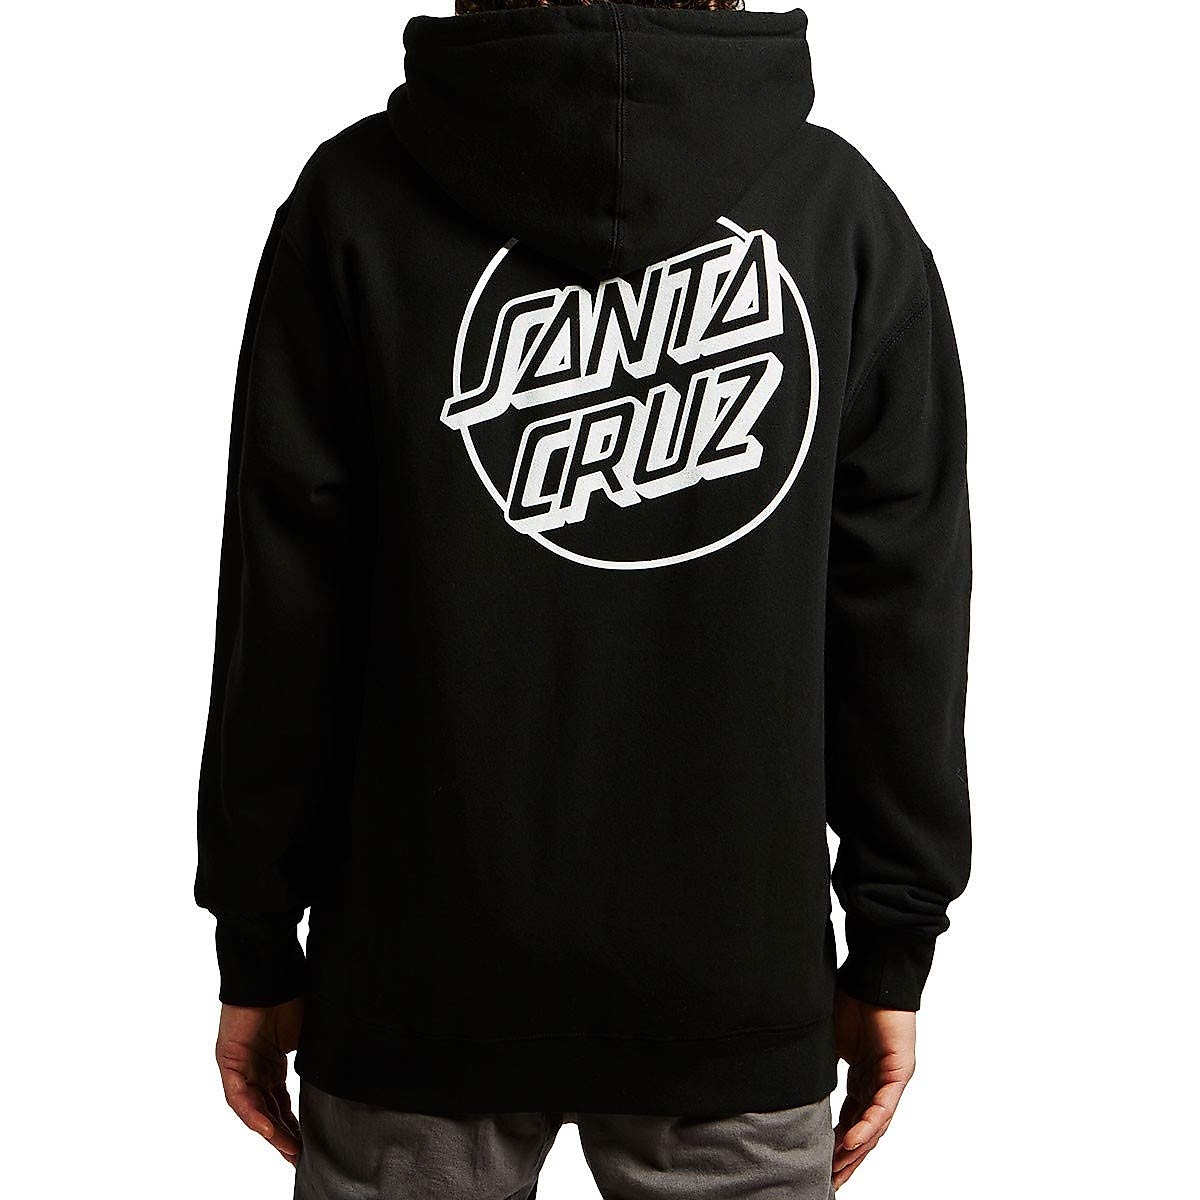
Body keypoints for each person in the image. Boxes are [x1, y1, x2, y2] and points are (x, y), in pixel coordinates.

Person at [196, 1, 972, 1195]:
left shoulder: (354, 205)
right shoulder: (840, 216)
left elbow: (283, 614)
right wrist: (890, 949)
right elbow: (904, 622)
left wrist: (256, 938)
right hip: (732, 989)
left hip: (414, 982)